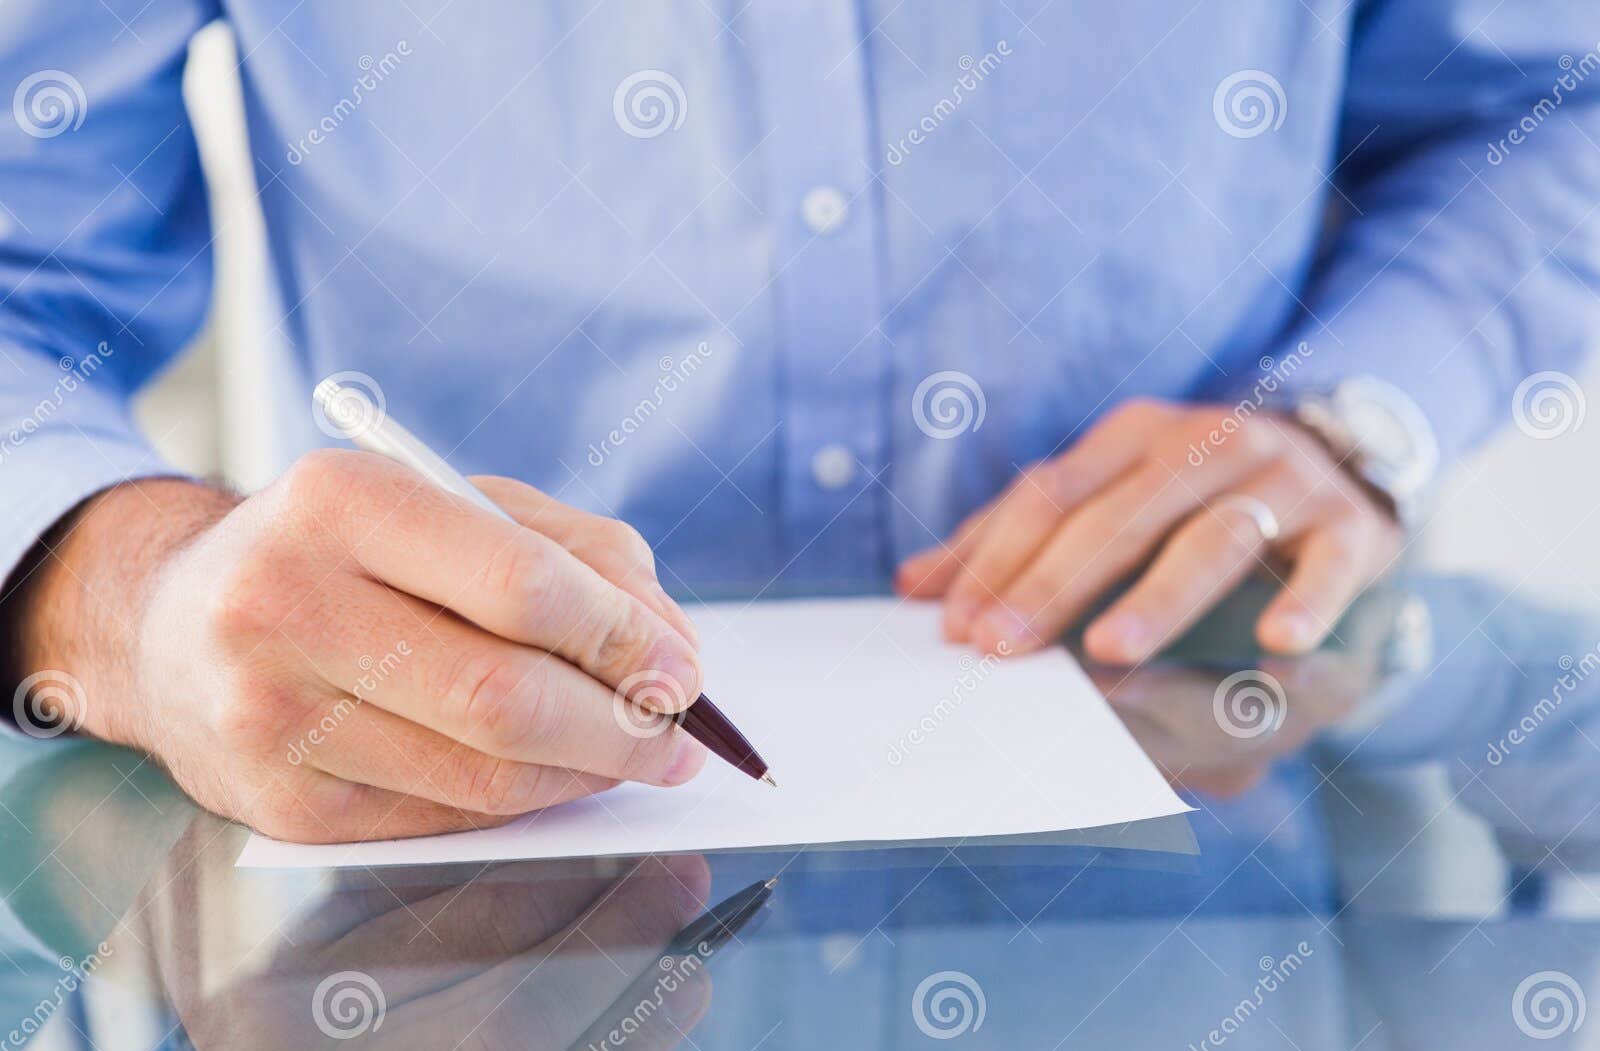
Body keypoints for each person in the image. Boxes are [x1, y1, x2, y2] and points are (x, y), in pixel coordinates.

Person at [0, 2, 1595, 841]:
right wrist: (135, 596)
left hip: (1219, 810)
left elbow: (1542, 103)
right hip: (439, 955)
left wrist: (1350, 416)